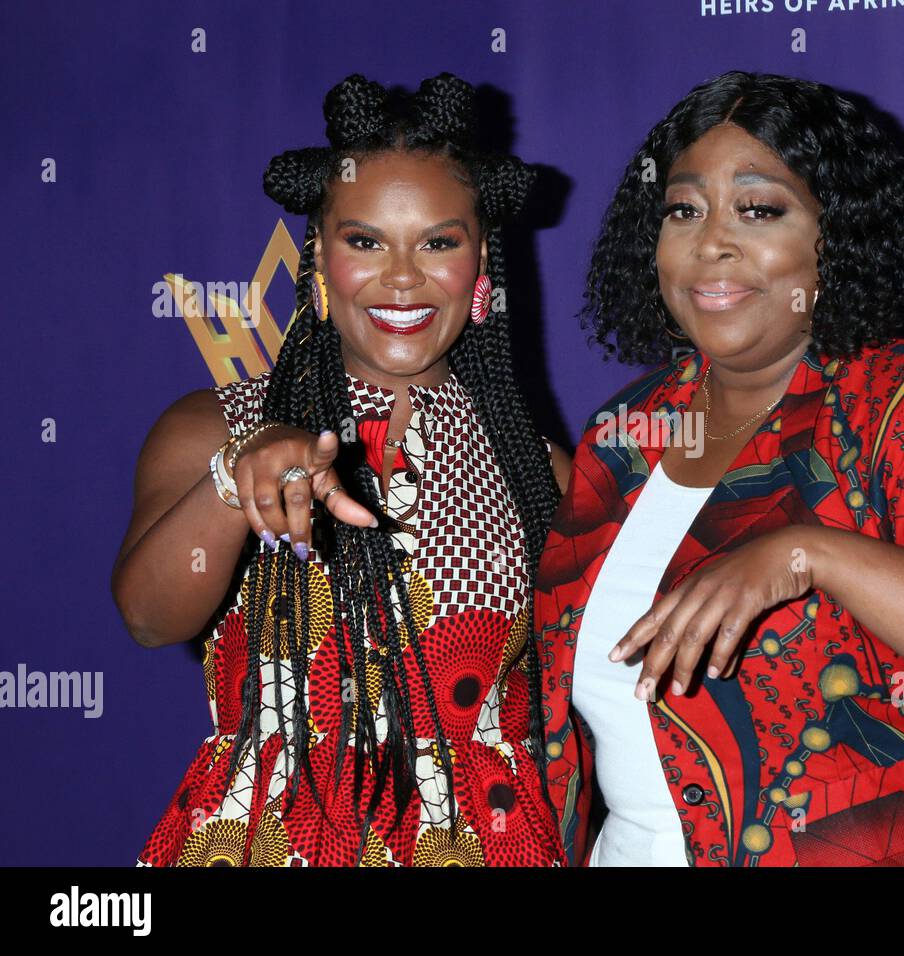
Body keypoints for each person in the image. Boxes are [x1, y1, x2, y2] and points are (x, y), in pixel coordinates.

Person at [534, 71, 904, 867]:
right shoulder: (622, 437)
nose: (712, 242)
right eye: (683, 209)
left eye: (759, 209)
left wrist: (809, 555)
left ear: (834, 238)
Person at [112, 73, 571, 867]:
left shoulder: (544, 473)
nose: (401, 276)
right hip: (265, 843)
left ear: (482, 258)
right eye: (365, 241)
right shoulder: (214, 426)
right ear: (318, 255)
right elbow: (150, 620)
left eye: (438, 241)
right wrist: (234, 482)